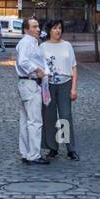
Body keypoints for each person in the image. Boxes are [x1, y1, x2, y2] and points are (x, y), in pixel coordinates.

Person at [39, 19, 79, 161]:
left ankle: (70, 149)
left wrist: (74, 88)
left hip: (65, 83)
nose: (58, 31)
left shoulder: (67, 46)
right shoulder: (42, 47)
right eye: (55, 28)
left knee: (65, 116)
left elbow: (74, 68)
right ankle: (52, 148)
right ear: (49, 30)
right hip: (48, 85)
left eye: (60, 28)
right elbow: (39, 67)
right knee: (49, 117)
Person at [15, 17, 50, 165]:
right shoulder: (26, 42)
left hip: (28, 83)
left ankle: (26, 152)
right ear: (26, 30)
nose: (38, 29)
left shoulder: (32, 42)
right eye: (34, 27)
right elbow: (23, 61)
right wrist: (37, 70)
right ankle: (33, 155)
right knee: (34, 121)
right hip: (30, 83)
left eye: (38, 26)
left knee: (26, 120)